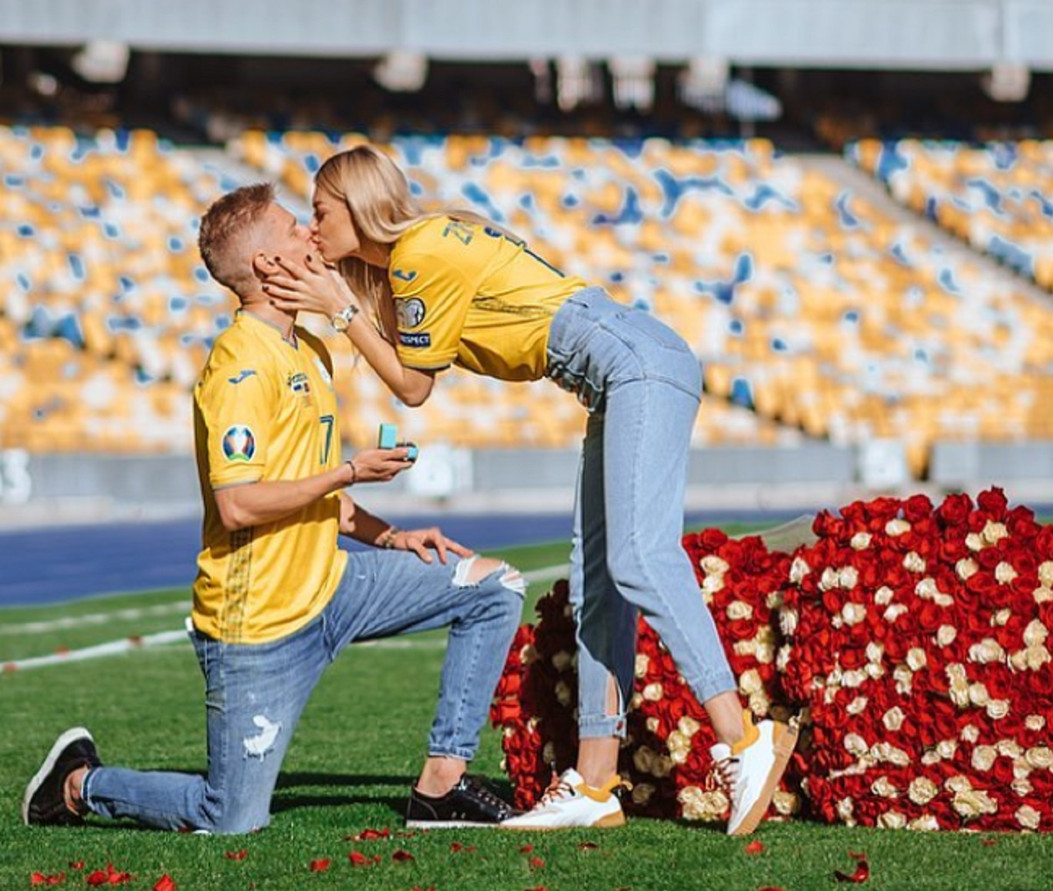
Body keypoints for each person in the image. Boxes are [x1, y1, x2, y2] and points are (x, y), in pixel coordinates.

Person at [261, 145, 795, 835]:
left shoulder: (420, 250)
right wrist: (334, 293)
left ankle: (745, 743)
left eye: (320, 209)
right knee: (598, 578)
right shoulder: (420, 249)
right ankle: (596, 785)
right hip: (620, 369)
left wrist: (338, 308)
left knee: (637, 557)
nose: (313, 222)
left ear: (358, 205)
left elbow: (412, 387)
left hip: (631, 364)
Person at [21, 183, 527, 834]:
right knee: (231, 818)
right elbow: (238, 506)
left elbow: (320, 499)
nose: (310, 235)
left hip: (336, 584)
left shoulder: (310, 350)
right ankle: (78, 785)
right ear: (268, 266)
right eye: (295, 229)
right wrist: (347, 471)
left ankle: (441, 786)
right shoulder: (237, 365)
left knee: (494, 586)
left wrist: (391, 535)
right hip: (257, 628)